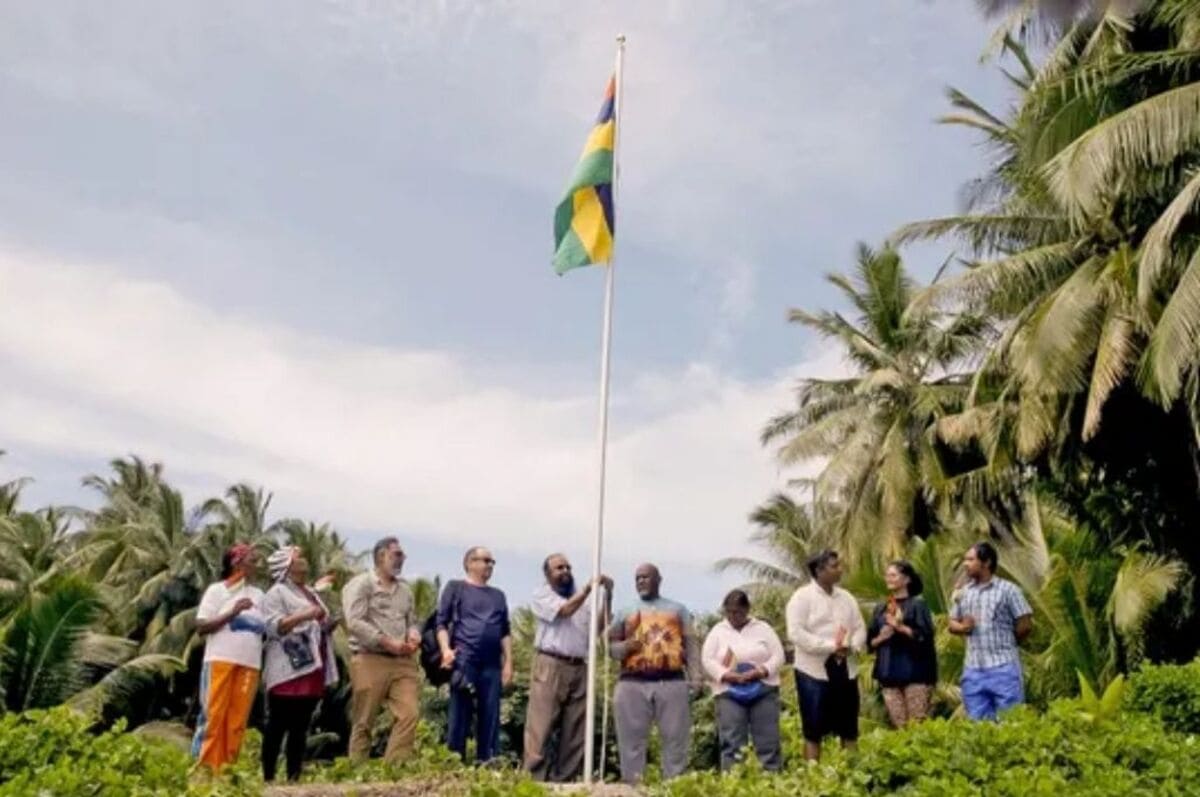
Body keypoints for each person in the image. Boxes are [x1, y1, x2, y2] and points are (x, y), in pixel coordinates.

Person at [523, 554, 612, 782]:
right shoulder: (542, 594)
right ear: (547, 573)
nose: (565, 571)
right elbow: (564, 611)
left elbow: (598, 629)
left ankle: (565, 780)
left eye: (568, 567)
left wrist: (607, 595)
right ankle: (534, 779)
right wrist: (588, 589)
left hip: (579, 666)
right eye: (559, 567)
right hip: (550, 663)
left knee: (575, 728)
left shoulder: (581, 600)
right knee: (541, 726)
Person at [609, 563, 701, 784]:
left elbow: (691, 645)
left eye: (645, 577)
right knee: (631, 741)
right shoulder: (625, 611)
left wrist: (696, 677)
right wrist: (624, 648)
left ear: (659, 579)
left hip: (671, 681)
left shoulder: (679, 610)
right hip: (631, 683)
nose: (641, 581)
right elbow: (610, 648)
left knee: (676, 739)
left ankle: (674, 786)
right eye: (637, 578)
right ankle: (633, 787)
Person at [260, 545, 339, 782]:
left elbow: (318, 622)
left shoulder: (310, 592)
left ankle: (293, 776)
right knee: (278, 723)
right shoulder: (277, 593)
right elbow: (275, 626)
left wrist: (326, 624)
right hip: (287, 667)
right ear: (286, 565)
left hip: (312, 666)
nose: (303, 561)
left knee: (300, 726)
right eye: (298, 558)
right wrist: (305, 616)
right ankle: (269, 777)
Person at [342, 537, 422, 763]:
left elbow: (412, 621)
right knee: (364, 720)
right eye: (397, 554)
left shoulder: (405, 590)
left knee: (409, 714)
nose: (402, 559)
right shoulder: (361, 584)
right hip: (369, 658)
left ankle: (393, 770)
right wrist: (386, 641)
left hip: (403, 661)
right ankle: (357, 772)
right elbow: (355, 622)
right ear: (381, 556)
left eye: (402, 555)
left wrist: (413, 633)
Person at [785, 549, 866, 761]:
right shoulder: (801, 597)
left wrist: (852, 645)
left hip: (846, 668)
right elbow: (795, 633)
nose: (840, 569)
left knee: (849, 728)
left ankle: (853, 776)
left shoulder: (847, 597)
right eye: (834, 566)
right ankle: (814, 780)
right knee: (813, 730)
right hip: (813, 671)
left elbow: (859, 627)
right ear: (819, 571)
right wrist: (830, 646)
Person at [192, 542, 266, 772]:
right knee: (214, 715)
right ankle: (204, 769)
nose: (256, 565)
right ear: (237, 563)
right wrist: (233, 612)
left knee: (237, 721)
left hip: (250, 664)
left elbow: (263, 628)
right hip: (220, 660)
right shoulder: (217, 590)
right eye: (252, 561)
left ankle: (226, 770)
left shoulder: (258, 594)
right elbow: (202, 627)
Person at [437, 546, 513, 764]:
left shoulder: (498, 596)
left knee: (490, 716)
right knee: (460, 715)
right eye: (485, 560)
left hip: (492, 664)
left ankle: (486, 761)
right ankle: (454, 763)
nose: (489, 565)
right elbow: (441, 622)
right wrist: (445, 651)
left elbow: (505, 630)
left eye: (492, 562)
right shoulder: (455, 588)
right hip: (464, 660)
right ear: (470, 563)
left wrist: (509, 663)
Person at [702, 589, 785, 772]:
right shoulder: (717, 632)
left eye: (738, 612)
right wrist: (726, 675)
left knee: (768, 741)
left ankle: (772, 784)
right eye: (729, 612)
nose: (733, 616)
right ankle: (733, 784)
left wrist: (761, 671)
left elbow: (779, 656)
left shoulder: (763, 628)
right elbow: (707, 660)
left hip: (763, 689)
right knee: (732, 743)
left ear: (747, 609)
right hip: (729, 692)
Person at [948, 541, 1033, 721]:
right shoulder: (963, 593)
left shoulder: (1008, 590)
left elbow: (1025, 624)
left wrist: (1008, 643)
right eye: (965, 559)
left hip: (1004, 667)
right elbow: (952, 623)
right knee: (978, 727)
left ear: (986, 562)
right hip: (973, 670)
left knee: (1011, 722)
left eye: (970, 559)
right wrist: (962, 627)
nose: (965, 564)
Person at [868, 560, 937, 727]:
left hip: (915, 673)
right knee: (900, 726)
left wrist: (901, 628)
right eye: (887, 575)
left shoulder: (917, 605)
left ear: (906, 579)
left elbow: (926, 637)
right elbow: (869, 642)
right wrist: (882, 637)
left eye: (893, 575)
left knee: (917, 724)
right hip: (888, 673)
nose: (888, 579)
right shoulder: (880, 608)